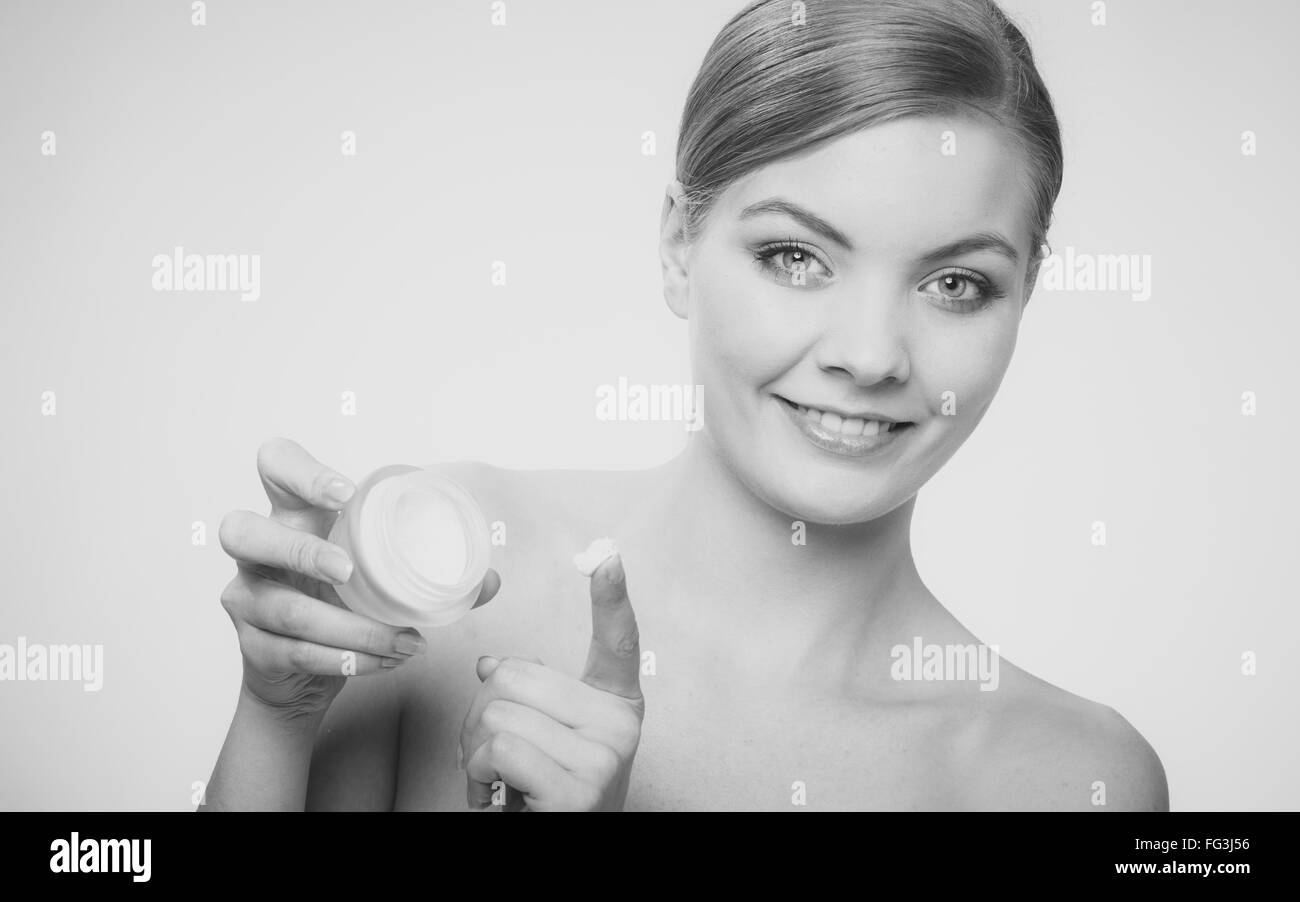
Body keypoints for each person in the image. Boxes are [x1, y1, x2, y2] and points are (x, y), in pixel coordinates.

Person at [203, 0, 1169, 811]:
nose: (871, 355)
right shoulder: (444, 589)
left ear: (1028, 291)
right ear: (678, 245)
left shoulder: (1077, 780)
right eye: (796, 257)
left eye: (955, 283)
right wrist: (277, 717)